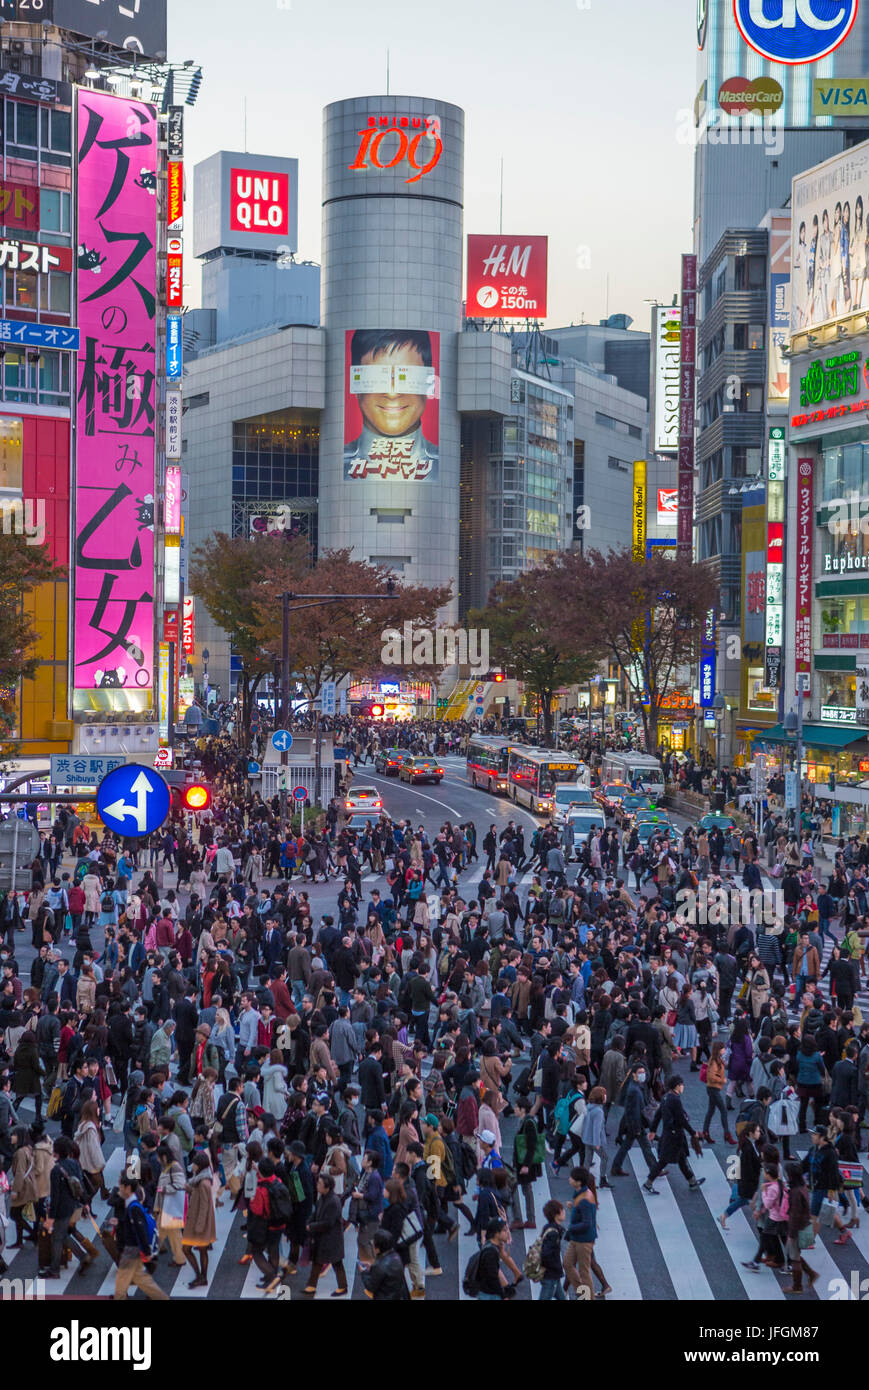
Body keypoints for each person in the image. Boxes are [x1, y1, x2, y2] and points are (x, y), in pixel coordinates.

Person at [111, 1171, 169, 1301]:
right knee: (141, 1278)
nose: (119, 1189)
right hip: (134, 1248)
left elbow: (140, 1230)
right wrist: (120, 1222)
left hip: (131, 1249)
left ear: (128, 1188)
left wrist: (147, 1251)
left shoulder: (133, 1207)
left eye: (121, 1186)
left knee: (122, 1280)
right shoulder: (132, 1204)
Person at [645, 1076, 705, 1195]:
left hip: (670, 1133)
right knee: (664, 1160)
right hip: (675, 1135)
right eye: (682, 1084)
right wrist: (693, 1133)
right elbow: (681, 1119)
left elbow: (658, 1115)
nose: (683, 1087)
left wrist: (652, 1130)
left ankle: (692, 1181)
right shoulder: (675, 1100)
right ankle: (648, 1183)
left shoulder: (666, 1097)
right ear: (677, 1086)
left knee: (681, 1158)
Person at [564, 1166, 611, 1300]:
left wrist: (570, 1228)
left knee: (584, 1272)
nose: (569, 1179)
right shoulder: (582, 1195)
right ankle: (581, 1292)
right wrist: (573, 1208)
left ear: (578, 1182)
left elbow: (587, 1223)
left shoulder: (585, 1199)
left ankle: (587, 1297)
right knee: (567, 1264)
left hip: (583, 1240)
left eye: (572, 1178)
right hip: (577, 1238)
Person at [304, 1171, 348, 1296]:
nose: (317, 1185)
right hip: (323, 1237)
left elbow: (328, 1223)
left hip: (332, 1238)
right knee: (318, 1261)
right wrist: (309, 1222)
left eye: (319, 1183)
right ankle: (311, 1285)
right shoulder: (323, 1197)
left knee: (336, 1262)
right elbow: (315, 1213)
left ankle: (343, 1286)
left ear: (327, 1187)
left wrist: (311, 1226)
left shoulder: (333, 1201)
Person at [182, 1150, 217, 1288]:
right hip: (198, 1220)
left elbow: (204, 1206)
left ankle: (201, 1276)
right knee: (199, 1250)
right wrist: (189, 1189)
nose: (192, 1166)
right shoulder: (201, 1180)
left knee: (188, 1249)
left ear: (200, 1166)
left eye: (194, 1164)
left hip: (199, 1221)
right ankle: (201, 1276)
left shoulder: (203, 1183)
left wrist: (200, 1226)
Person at [361, 1228, 410, 1300]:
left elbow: (370, 1286)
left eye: (373, 1244)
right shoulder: (396, 1256)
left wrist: (364, 1272)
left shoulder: (379, 1266)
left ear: (378, 1248)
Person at [538, 1198, 566, 1300]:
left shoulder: (548, 1227)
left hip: (553, 1275)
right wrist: (555, 1267)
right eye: (562, 1210)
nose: (564, 1212)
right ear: (556, 1215)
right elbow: (546, 1254)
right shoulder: (554, 1233)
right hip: (550, 1275)